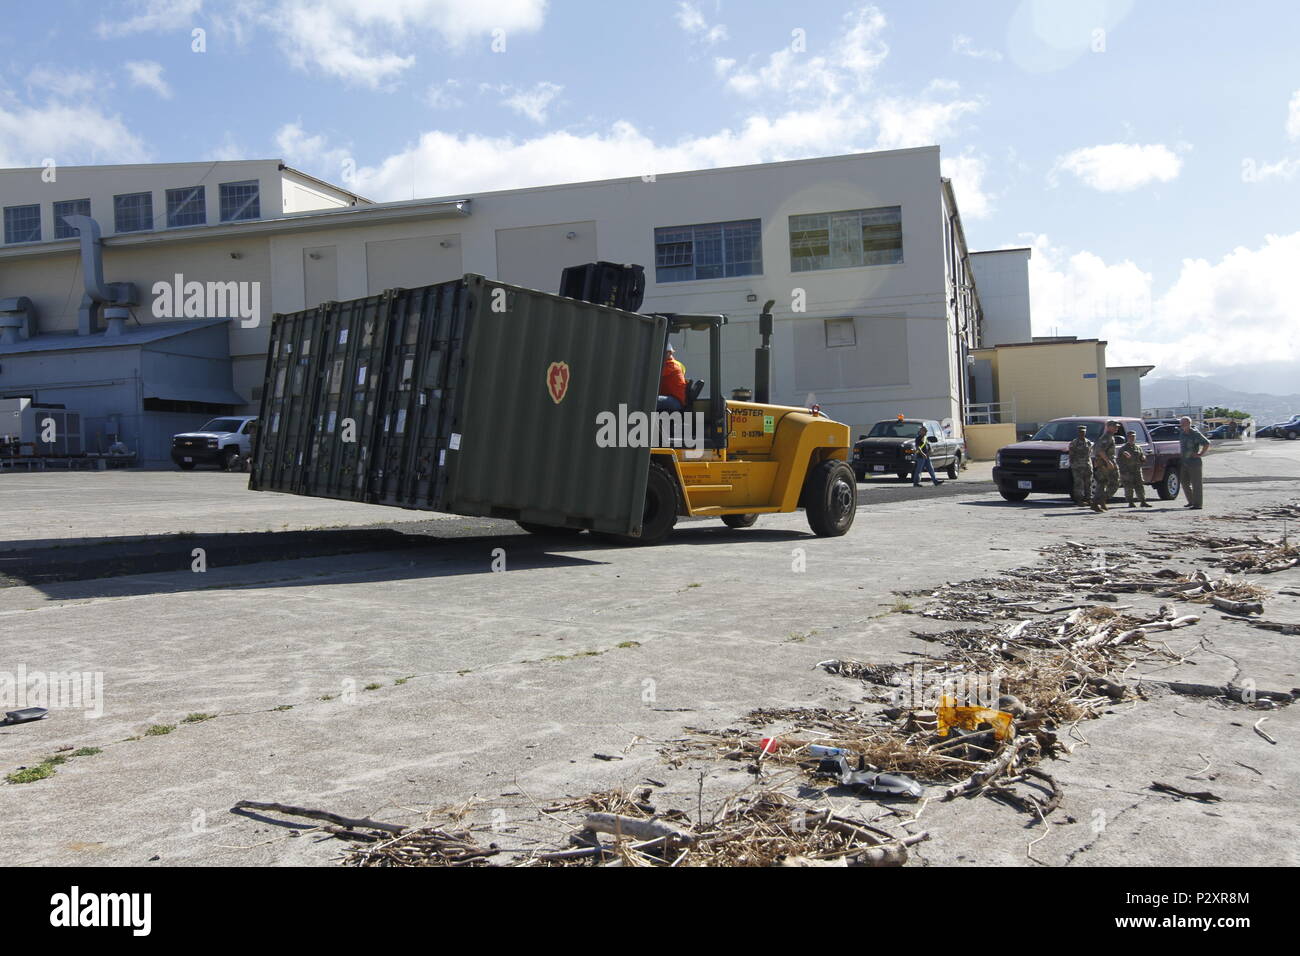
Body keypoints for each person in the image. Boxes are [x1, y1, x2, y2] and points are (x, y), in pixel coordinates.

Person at [1178, 416, 1211, 509]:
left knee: (1196, 484)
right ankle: (1191, 501)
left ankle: (1198, 504)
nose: (1182, 425)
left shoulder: (1195, 433)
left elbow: (1206, 443)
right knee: (1184, 482)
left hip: (1194, 463)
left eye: (1183, 423)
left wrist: (1200, 453)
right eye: (1181, 423)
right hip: (1184, 461)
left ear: (1189, 423)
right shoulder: (1182, 434)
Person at [1117, 430, 1151, 508]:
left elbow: (1142, 458)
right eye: (1130, 437)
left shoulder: (1138, 448)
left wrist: (1143, 458)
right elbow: (1119, 461)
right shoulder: (1123, 449)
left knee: (1140, 486)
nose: (1132, 438)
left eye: (1133, 437)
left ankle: (1143, 501)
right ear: (1127, 438)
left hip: (1137, 471)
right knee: (1129, 487)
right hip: (1127, 471)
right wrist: (1123, 471)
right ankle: (1130, 502)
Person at [1092, 420, 1120, 511]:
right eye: (1114, 426)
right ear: (1108, 427)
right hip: (1105, 464)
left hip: (1104, 462)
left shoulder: (1110, 437)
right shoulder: (1106, 437)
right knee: (1114, 482)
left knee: (1102, 483)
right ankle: (1099, 501)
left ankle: (1099, 503)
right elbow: (1100, 450)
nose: (1117, 427)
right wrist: (1108, 462)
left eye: (1117, 426)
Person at [1068, 425, 1096, 511]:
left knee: (1088, 483)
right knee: (1079, 483)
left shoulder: (1088, 442)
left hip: (1087, 466)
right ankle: (1079, 500)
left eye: (1083, 432)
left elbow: (1090, 453)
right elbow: (1071, 455)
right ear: (1078, 432)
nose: (1082, 433)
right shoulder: (1074, 443)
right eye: (1080, 432)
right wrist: (1073, 465)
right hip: (1077, 466)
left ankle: (1088, 499)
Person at [657, 343, 687, 412]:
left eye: (662, 352)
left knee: (650, 400)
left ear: (669, 353)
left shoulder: (670, 365)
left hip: (675, 401)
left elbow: (653, 376)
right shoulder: (668, 364)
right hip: (671, 398)